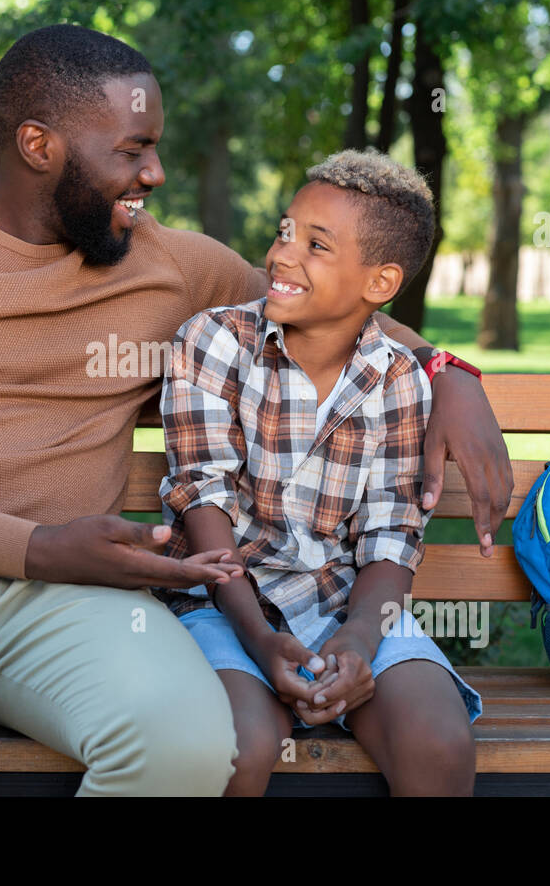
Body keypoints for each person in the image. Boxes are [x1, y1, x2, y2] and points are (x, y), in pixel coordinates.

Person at [0, 24, 512, 797]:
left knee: (190, 750)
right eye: (132, 151)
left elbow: (335, 314)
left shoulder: (171, 264)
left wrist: (451, 372)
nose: (155, 174)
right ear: (40, 146)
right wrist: (35, 545)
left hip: (75, 602)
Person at [155, 150, 481, 796]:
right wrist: (259, 639)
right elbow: (204, 502)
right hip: (223, 603)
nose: (281, 256)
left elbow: (392, 538)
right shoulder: (213, 343)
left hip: (344, 602)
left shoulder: (398, 383)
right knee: (236, 745)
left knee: (438, 741)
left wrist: (359, 641)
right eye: (284, 231)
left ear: (380, 284)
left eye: (316, 245)